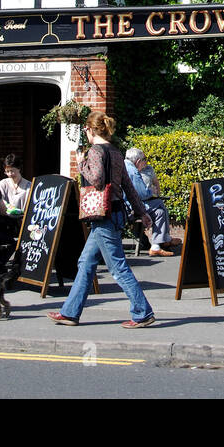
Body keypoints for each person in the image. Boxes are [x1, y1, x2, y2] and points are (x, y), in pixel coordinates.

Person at [48, 111, 156, 329]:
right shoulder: (116, 153)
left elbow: (96, 180)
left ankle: (142, 312)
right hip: (114, 213)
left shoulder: (95, 151)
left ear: (89, 129)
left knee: (117, 267)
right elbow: (128, 186)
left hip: (103, 215)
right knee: (85, 263)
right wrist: (142, 212)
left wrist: (81, 164)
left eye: (85, 130)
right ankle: (70, 312)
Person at [125, 147, 173, 256]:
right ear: (138, 161)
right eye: (144, 159)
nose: (145, 162)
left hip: (132, 205)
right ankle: (166, 239)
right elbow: (142, 194)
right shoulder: (132, 171)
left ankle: (156, 246)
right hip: (130, 207)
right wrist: (151, 192)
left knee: (159, 212)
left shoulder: (126, 166)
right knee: (159, 204)